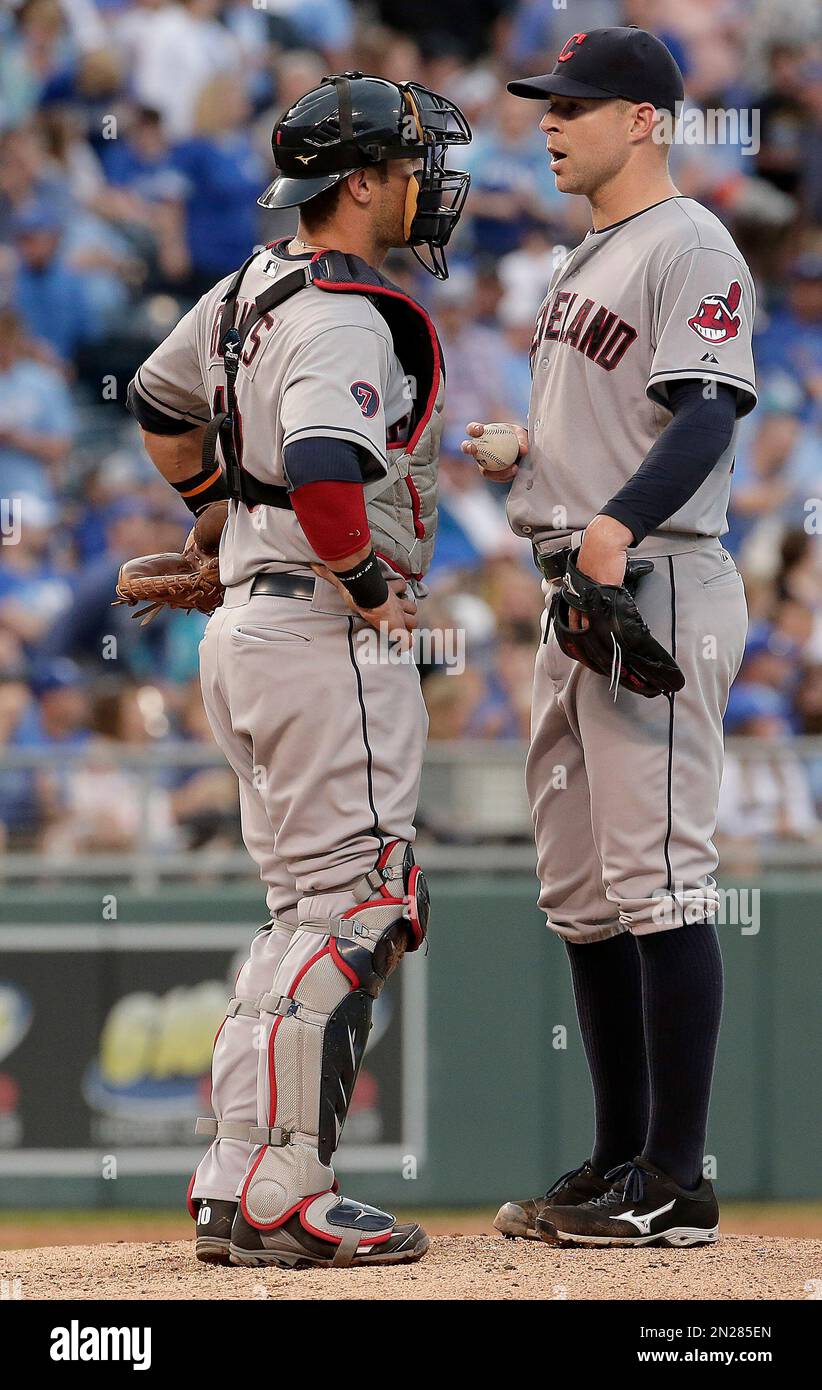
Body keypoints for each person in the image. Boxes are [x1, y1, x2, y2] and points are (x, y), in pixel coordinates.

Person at [125, 71, 470, 1269]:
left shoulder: (245, 289)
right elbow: (329, 474)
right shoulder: (341, 313)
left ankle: (235, 1176)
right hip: (322, 635)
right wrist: (375, 594)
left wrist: (218, 515)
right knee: (364, 903)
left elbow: (163, 405)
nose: (430, 185)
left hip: (245, 629)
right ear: (361, 183)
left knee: (297, 916)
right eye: (414, 165)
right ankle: (285, 1189)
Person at [462, 27, 755, 1248]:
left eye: (578, 102)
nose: (551, 118)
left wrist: (618, 518)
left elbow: (713, 406)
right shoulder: (590, 257)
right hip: (580, 587)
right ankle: (617, 1157)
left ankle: (678, 1178)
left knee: (659, 879)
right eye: (546, 100)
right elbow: (623, 419)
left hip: (659, 581)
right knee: (583, 894)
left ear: (647, 119)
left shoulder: (690, 241)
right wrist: (534, 459)